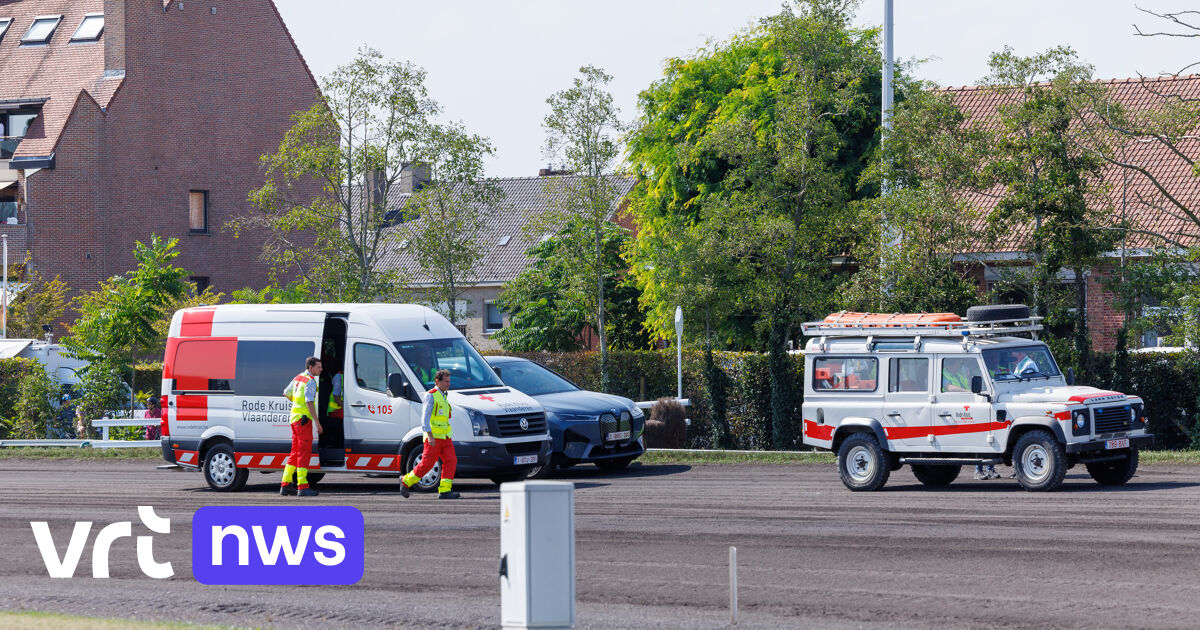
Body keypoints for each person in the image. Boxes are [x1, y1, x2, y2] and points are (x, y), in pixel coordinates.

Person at [400, 369, 459, 500]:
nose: (449, 384)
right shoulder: (431, 395)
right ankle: (405, 481)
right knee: (426, 465)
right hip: (434, 438)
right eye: (446, 381)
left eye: (449, 381)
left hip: (445, 437)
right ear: (437, 381)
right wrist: (430, 436)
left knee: (451, 461)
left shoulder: (444, 395)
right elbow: (425, 419)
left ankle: (445, 491)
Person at [281, 356, 323, 497]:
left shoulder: (299, 377)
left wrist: (296, 404)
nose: (321, 369)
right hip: (303, 421)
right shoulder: (310, 381)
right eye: (319, 367)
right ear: (311, 367)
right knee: (303, 454)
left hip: (294, 419)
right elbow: (309, 402)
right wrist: (317, 422)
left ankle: (285, 485)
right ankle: (302, 486)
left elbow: (286, 393)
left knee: (294, 452)